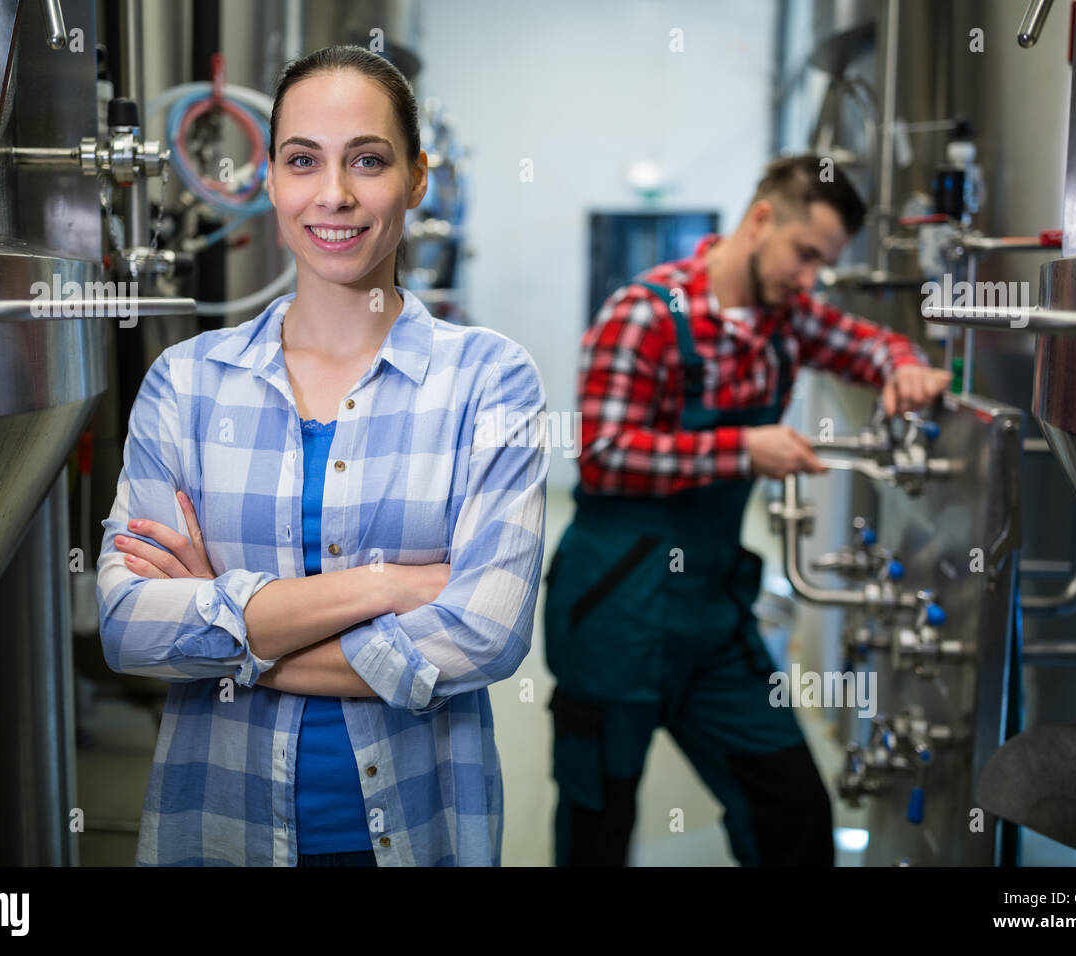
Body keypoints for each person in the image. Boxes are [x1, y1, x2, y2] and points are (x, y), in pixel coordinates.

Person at [97, 45, 549, 867]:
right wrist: (388, 587)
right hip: (221, 834)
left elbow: (486, 633)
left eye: (367, 161)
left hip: (418, 835)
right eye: (303, 161)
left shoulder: (490, 381)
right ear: (269, 179)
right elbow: (128, 627)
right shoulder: (189, 384)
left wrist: (224, 632)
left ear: (417, 179)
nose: (333, 194)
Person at [543, 154, 952, 866]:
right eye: (805, 254)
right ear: (761, 220)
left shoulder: (785, 321)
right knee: (597, 824)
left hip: (712, 621)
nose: (810, 277)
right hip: (613, 614)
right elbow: (603, 452)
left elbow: (867, 345)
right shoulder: (645, 312)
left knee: (791, 809)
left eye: (823, 264)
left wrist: (903, 363)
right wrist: (740, 450)